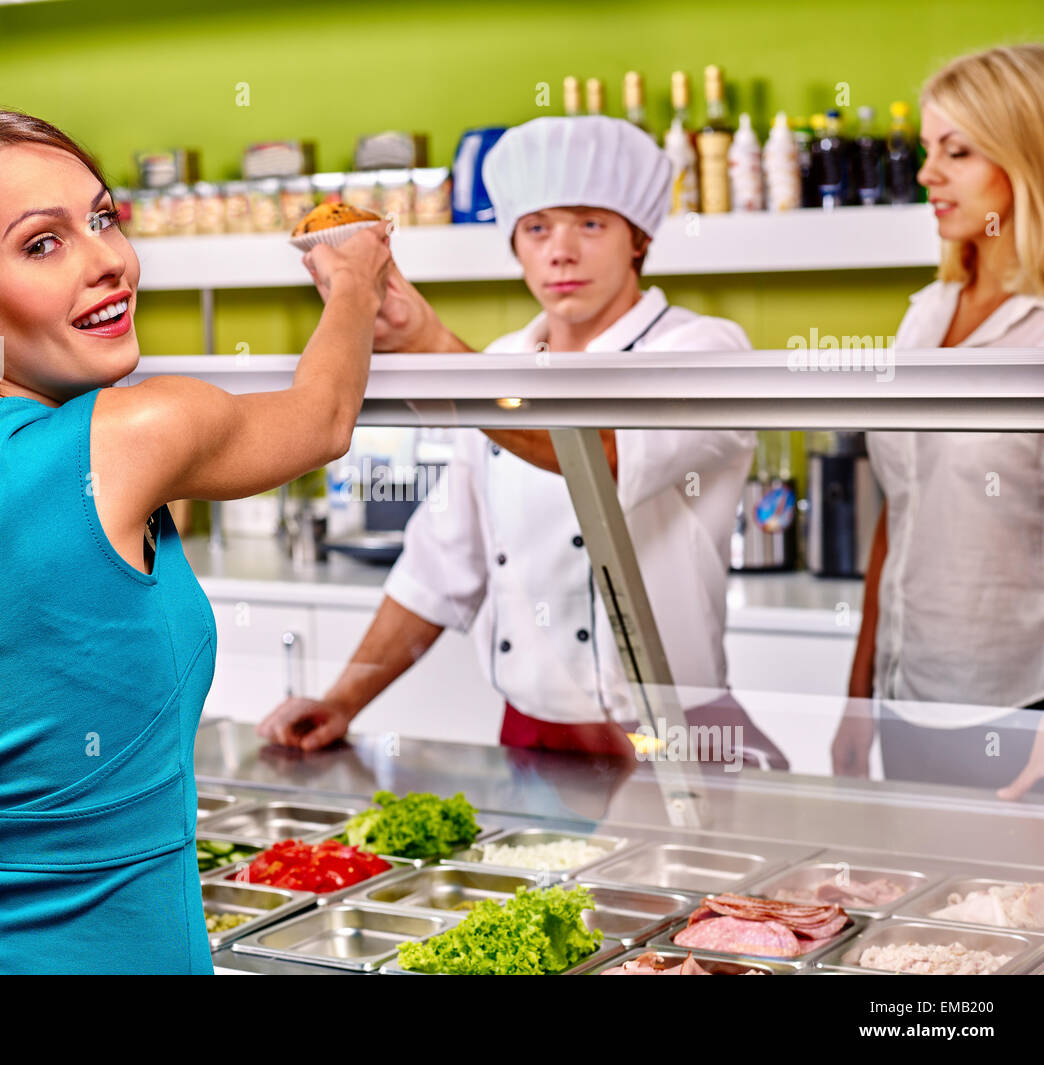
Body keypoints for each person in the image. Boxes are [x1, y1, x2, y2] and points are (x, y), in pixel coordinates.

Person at [0, 108, 391, 974]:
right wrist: (353, 278)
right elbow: (322, 418)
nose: (107, 262)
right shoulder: (135, 429)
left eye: (102, 218)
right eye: (41, 245)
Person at [260, 116, 778, 761]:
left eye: (590, 223)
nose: (560, 251)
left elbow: (601, 455)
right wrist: (341, 701)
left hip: (668, 735)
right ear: (515, 245)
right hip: (528, 738)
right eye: (537, 228)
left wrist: (435, 349)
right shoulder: (503, 360)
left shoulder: (701, 346)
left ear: (637, 241)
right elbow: (439, 570)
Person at [832, 44, 1044, 799]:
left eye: (957, 151)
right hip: (906, 697)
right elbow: (898, 504)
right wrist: (859, 696)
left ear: (1026, 160)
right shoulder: (924, 317)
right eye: (929, 149)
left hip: (1020, 715)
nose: (926, 174)